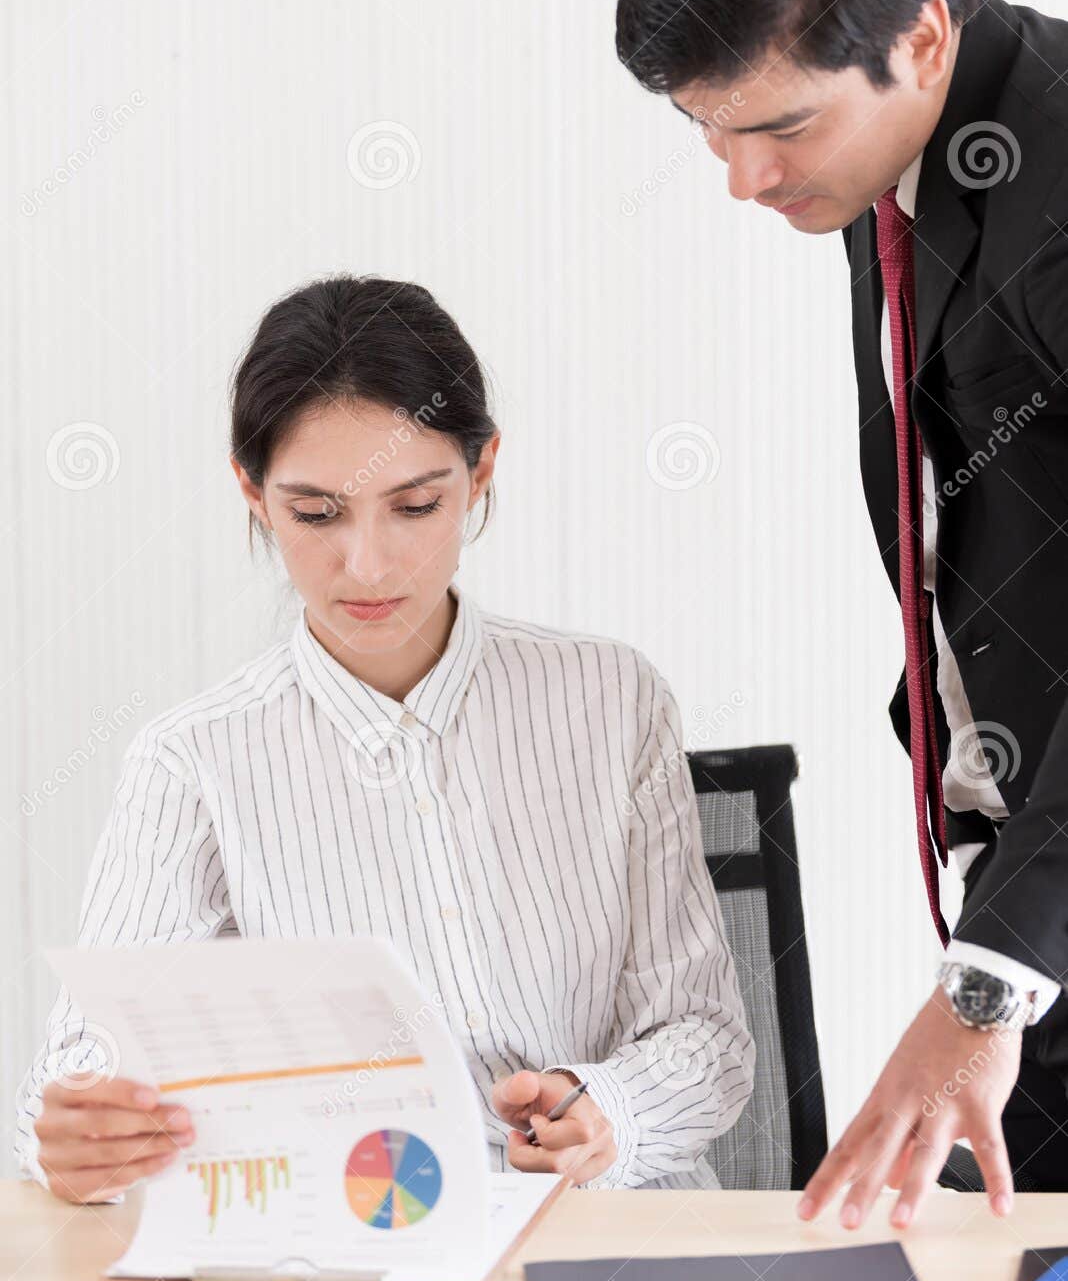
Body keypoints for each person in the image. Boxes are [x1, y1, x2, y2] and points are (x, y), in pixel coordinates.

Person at [15, 274, 754, 1204]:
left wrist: (609, 1110)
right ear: (252, 492)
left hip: (615, 1249)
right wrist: (79, 1139)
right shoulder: (195, 760)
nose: (365, 564)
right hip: (364, 1261)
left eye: (415, 505)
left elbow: (706, 1038)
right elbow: (78, 1074)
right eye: (316, 513)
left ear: (480, 473)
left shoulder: (614, 699)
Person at [616, 0, 1068, 1223]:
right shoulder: (885, 156)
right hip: (1029, 873)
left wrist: (990, 978)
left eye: (776, 128)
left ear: (923, 36)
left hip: (1030, 923)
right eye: (708, 131)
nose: (743, 179)